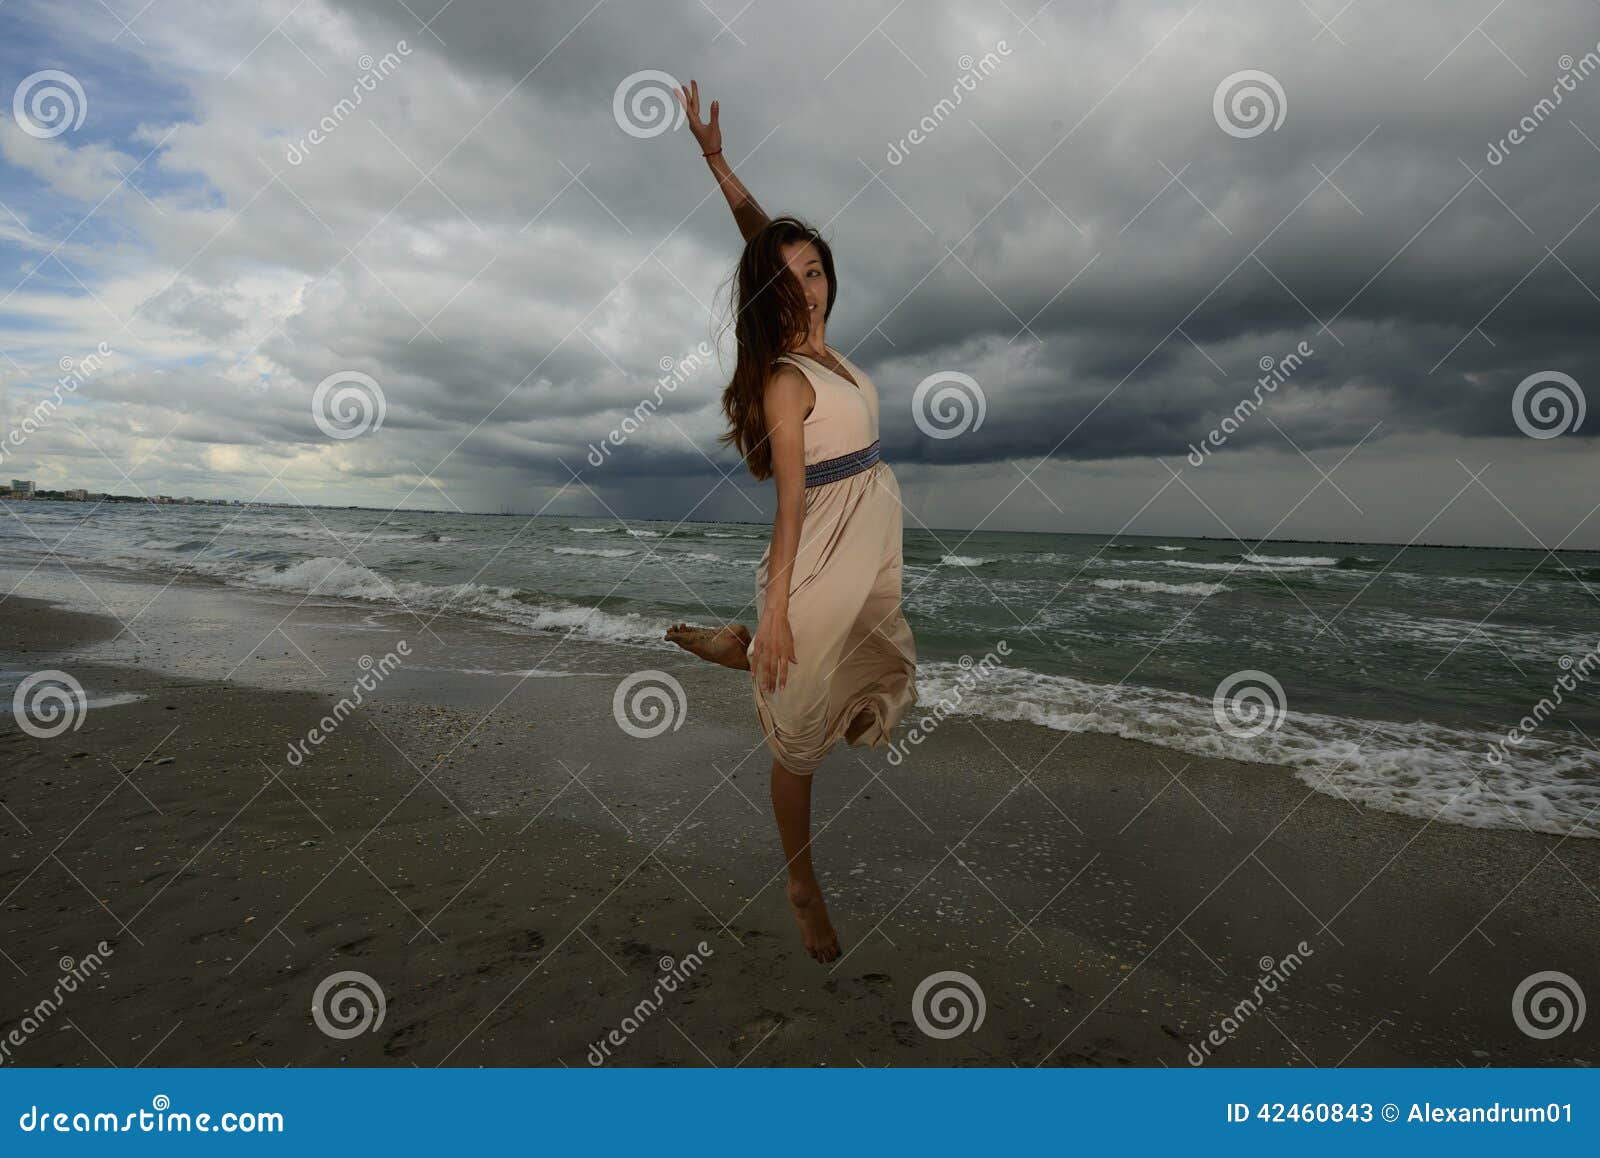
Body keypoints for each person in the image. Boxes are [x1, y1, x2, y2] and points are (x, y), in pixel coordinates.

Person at [664, 80, 918, 963]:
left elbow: (764, 241)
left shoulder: (828, 352)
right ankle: (802, 881)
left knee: (860, 673)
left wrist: (718, 162)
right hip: (818, 549)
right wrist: (777, 602)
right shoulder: (787, 378)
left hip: (870, 543)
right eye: (791, 279)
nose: (806, 288)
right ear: (768, 296)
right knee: (800, 741)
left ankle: (742, 648)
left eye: (816, 272)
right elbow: (791, 502)